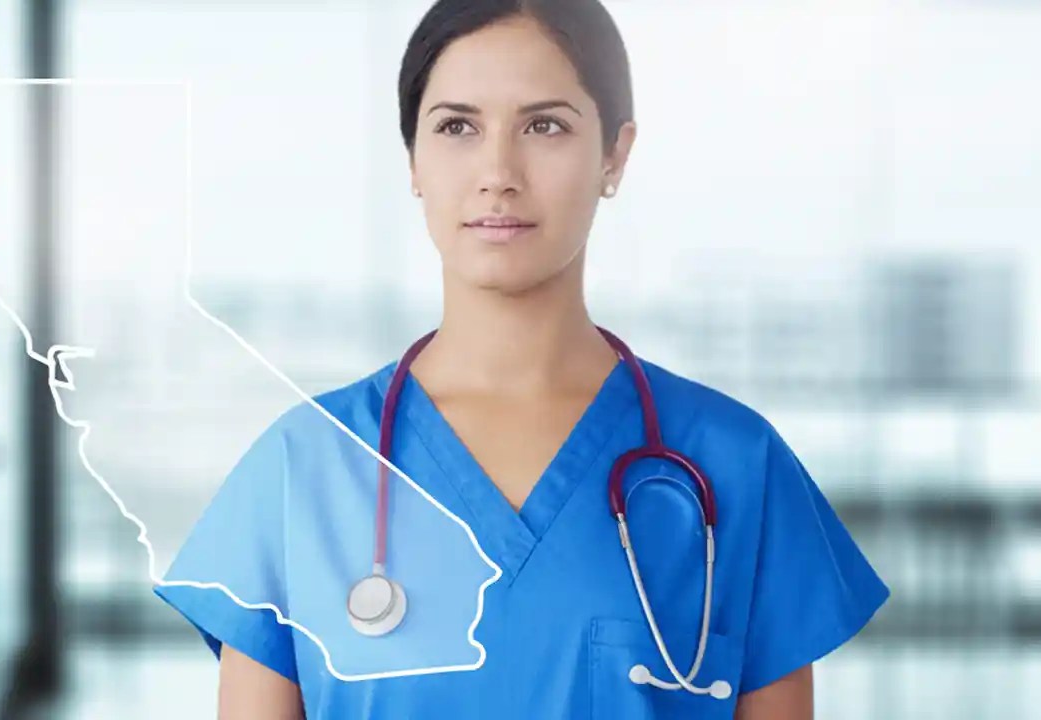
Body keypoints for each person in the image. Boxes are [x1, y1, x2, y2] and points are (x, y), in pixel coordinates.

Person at [155, 1, 890, 717]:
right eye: (456, 127)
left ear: (615, 154)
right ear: (411, 158)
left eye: (544, 125)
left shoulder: (734, 464)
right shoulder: (303, 469)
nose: (498, 171)